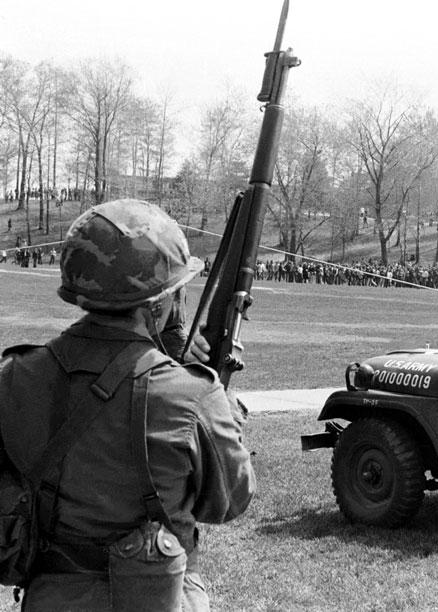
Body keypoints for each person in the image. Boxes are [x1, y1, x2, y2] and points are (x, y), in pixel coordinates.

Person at [0, 199, 254, 610]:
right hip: (162, 599)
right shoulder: (191, 394)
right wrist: (225, 406)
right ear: (158, 302)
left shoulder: (15, 376)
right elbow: (229, 501)